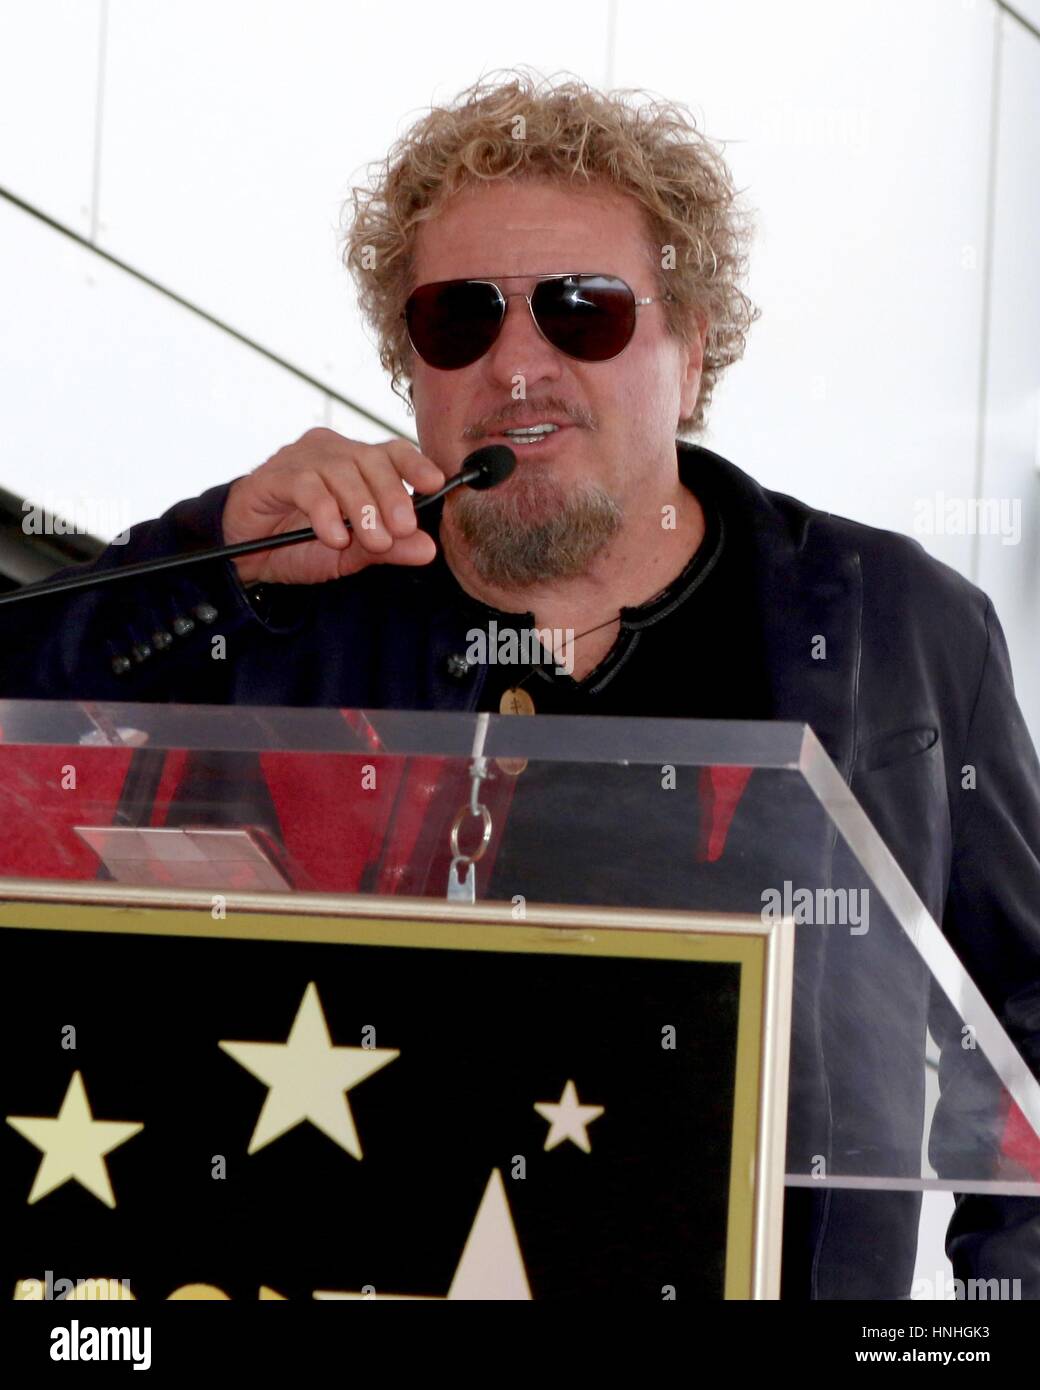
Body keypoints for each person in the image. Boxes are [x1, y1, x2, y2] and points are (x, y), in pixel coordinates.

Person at [2, 71, 1039, 1300]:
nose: (517, 363)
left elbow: (1020, 1019)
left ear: (690, 349)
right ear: (411, 366)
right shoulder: (297, 606)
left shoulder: (892, 626)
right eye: (461, 319)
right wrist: (218, 546)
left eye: (581, 312)